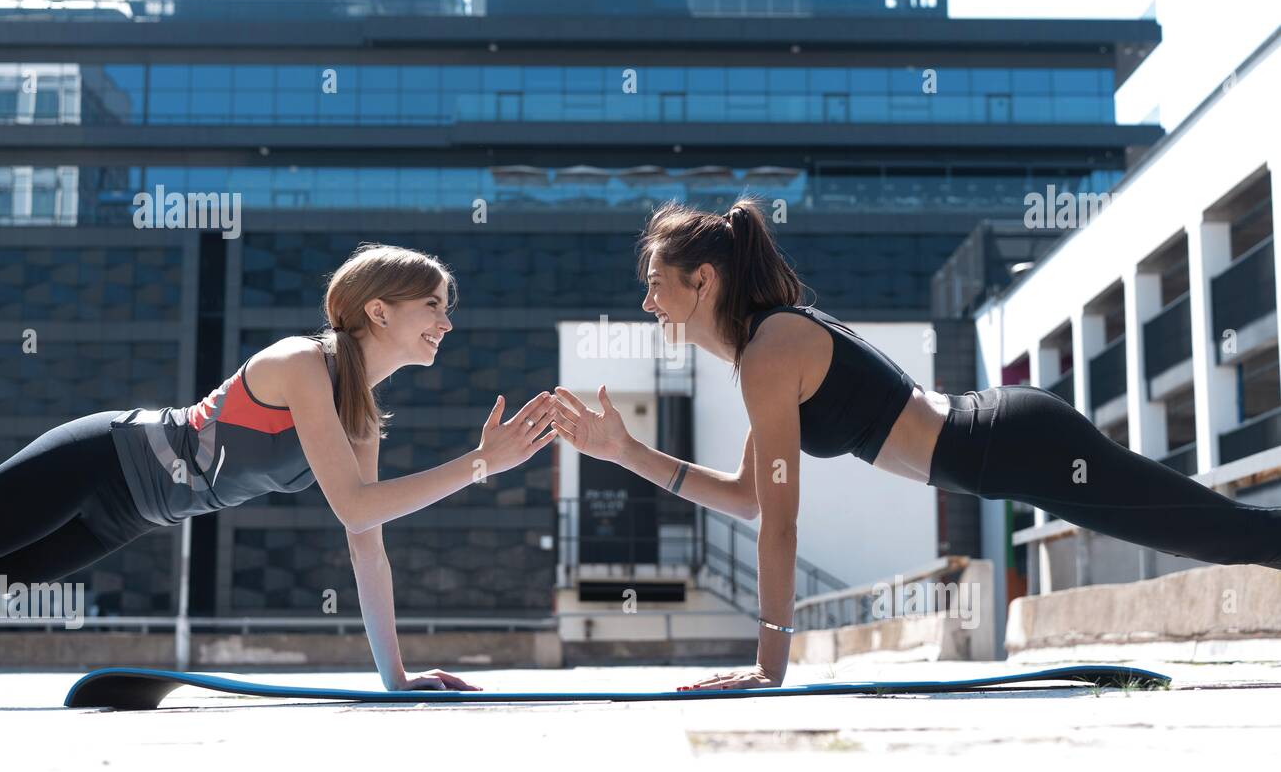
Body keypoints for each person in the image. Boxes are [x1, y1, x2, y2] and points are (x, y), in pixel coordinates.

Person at [548, 197, 1281, 692]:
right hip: (1006, 444)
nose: (647, 303)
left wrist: (769, 665)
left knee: (1203, 530)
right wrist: (626, 453)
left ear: (701, 279)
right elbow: (748, 498)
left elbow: (781, 523)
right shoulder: (762, 354)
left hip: (1012, 442)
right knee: (1199, 526)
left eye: (655, 284)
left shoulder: (771, 352)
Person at [0, 243, 558, 692]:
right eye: (433, 305)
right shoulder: (302, 363)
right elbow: (354, 504)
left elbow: (366, 543)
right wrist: (483, 462)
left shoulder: (359, 416)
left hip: (129, 516)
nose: (446, 323)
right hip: (98, 461)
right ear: (379, 310)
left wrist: (396, 679)